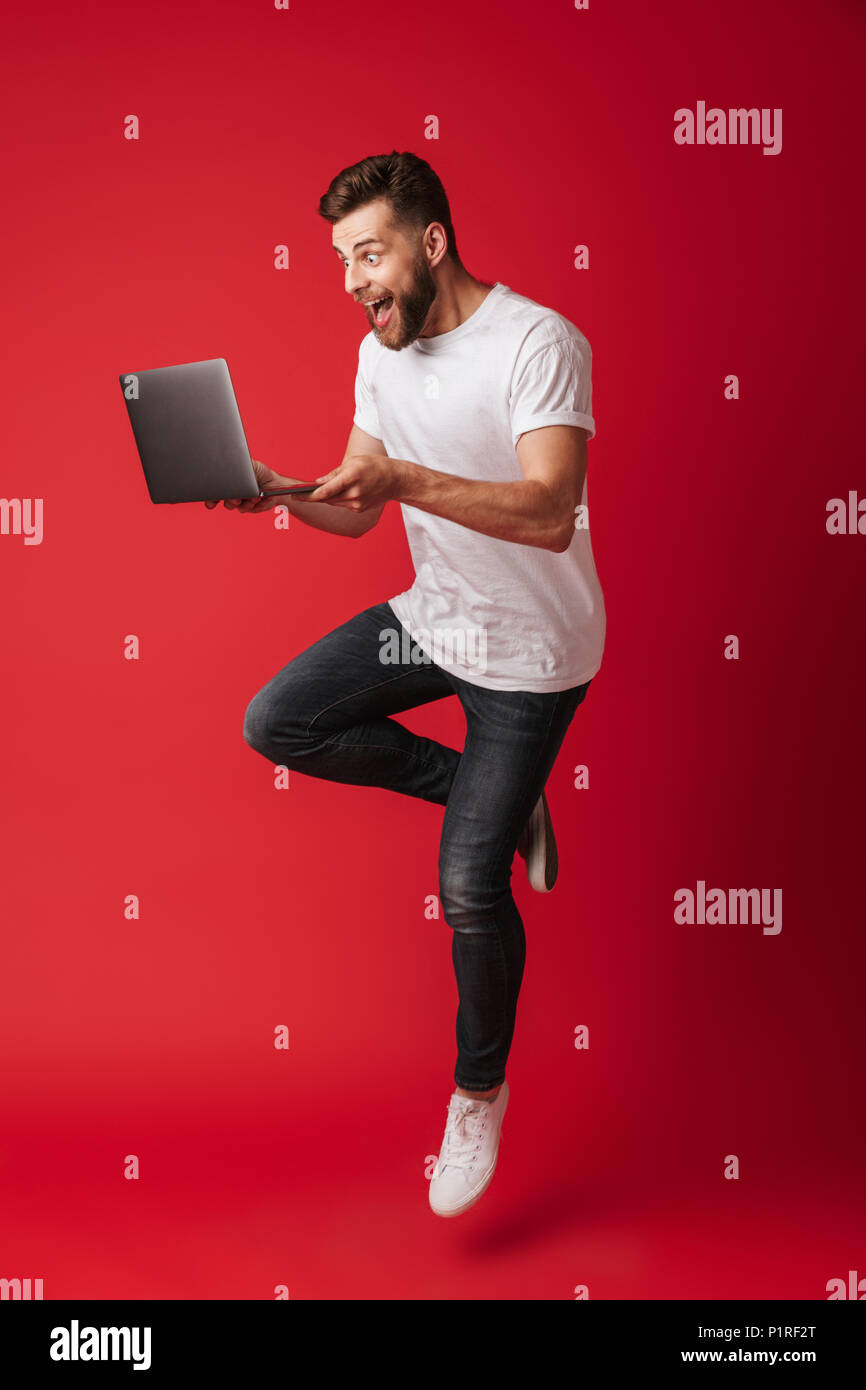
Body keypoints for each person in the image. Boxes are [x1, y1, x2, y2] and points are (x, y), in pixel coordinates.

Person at [205, 150, 605, 1218]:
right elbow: (360, 505)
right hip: (435, 621)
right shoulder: (375, 356)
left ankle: (477, 1094)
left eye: (369, 252)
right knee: (277, 720)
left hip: (529, 652)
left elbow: (548, 510)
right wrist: (285, 491)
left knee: (469, 885)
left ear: (430, 244)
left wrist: (403, 478)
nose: (351, 279)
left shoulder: (535, 341)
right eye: (341, 259)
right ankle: (500, 794)